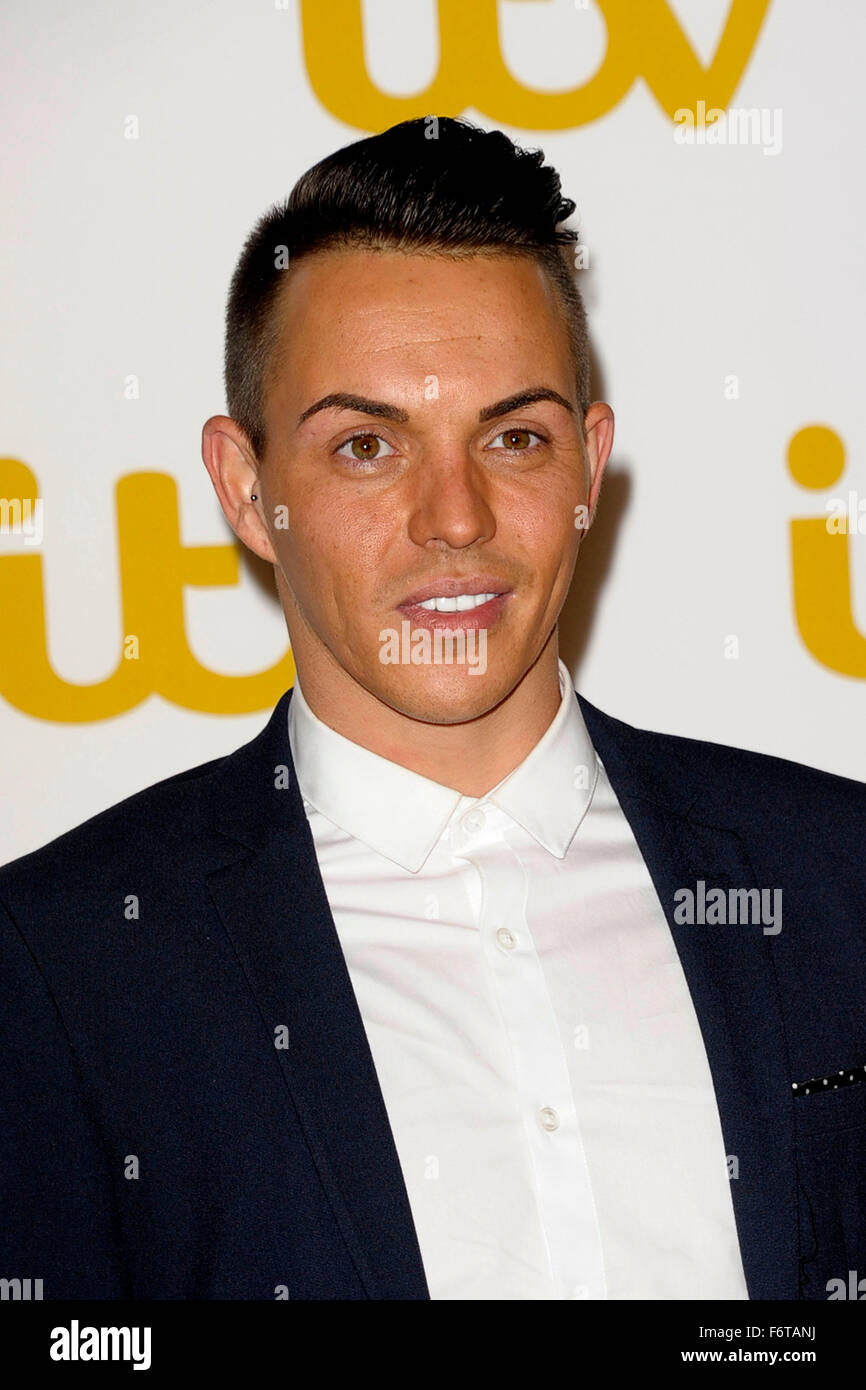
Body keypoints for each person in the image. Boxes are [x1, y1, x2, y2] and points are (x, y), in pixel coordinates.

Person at [2, 117, 865, 1302]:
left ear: (587, 462)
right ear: (246, 492)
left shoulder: (834, 876)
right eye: (366, 445)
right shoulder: (67, 962)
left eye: (513, 436)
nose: (453, 516)